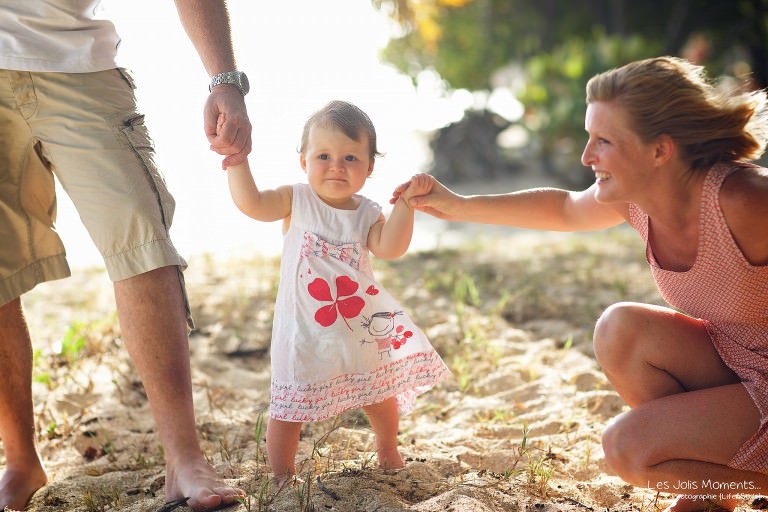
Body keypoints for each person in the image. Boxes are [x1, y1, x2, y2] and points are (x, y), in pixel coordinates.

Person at [393, 56, 768, 511]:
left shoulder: (745, 202)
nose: (586, 157)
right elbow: (566, 209)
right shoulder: (636, 198)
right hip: (737, 359)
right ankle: (713, 494)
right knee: (621, 329)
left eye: (604, 141)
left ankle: (725, 487)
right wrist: (457, 206)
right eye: (590, 138)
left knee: (629, 449)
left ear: (660, 151)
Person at [0, 1, 252, 510]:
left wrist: (224, 78)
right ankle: (21, 461)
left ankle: (185, 458)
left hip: (77, 64)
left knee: (142, 239)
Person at [225, 100, 451, 485]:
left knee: (379, 391)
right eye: (324, 155)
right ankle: (282, 473)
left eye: (350, 157)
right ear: (303, 162)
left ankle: (387, 447)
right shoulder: (294, 199)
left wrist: (406, 207)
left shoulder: (367, 212)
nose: (337, 166)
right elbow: (252, 203)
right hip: (302, 331)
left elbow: (391, 248)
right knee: (289, 406)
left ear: (369, 167)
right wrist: (236, 161)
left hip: (356, 326)